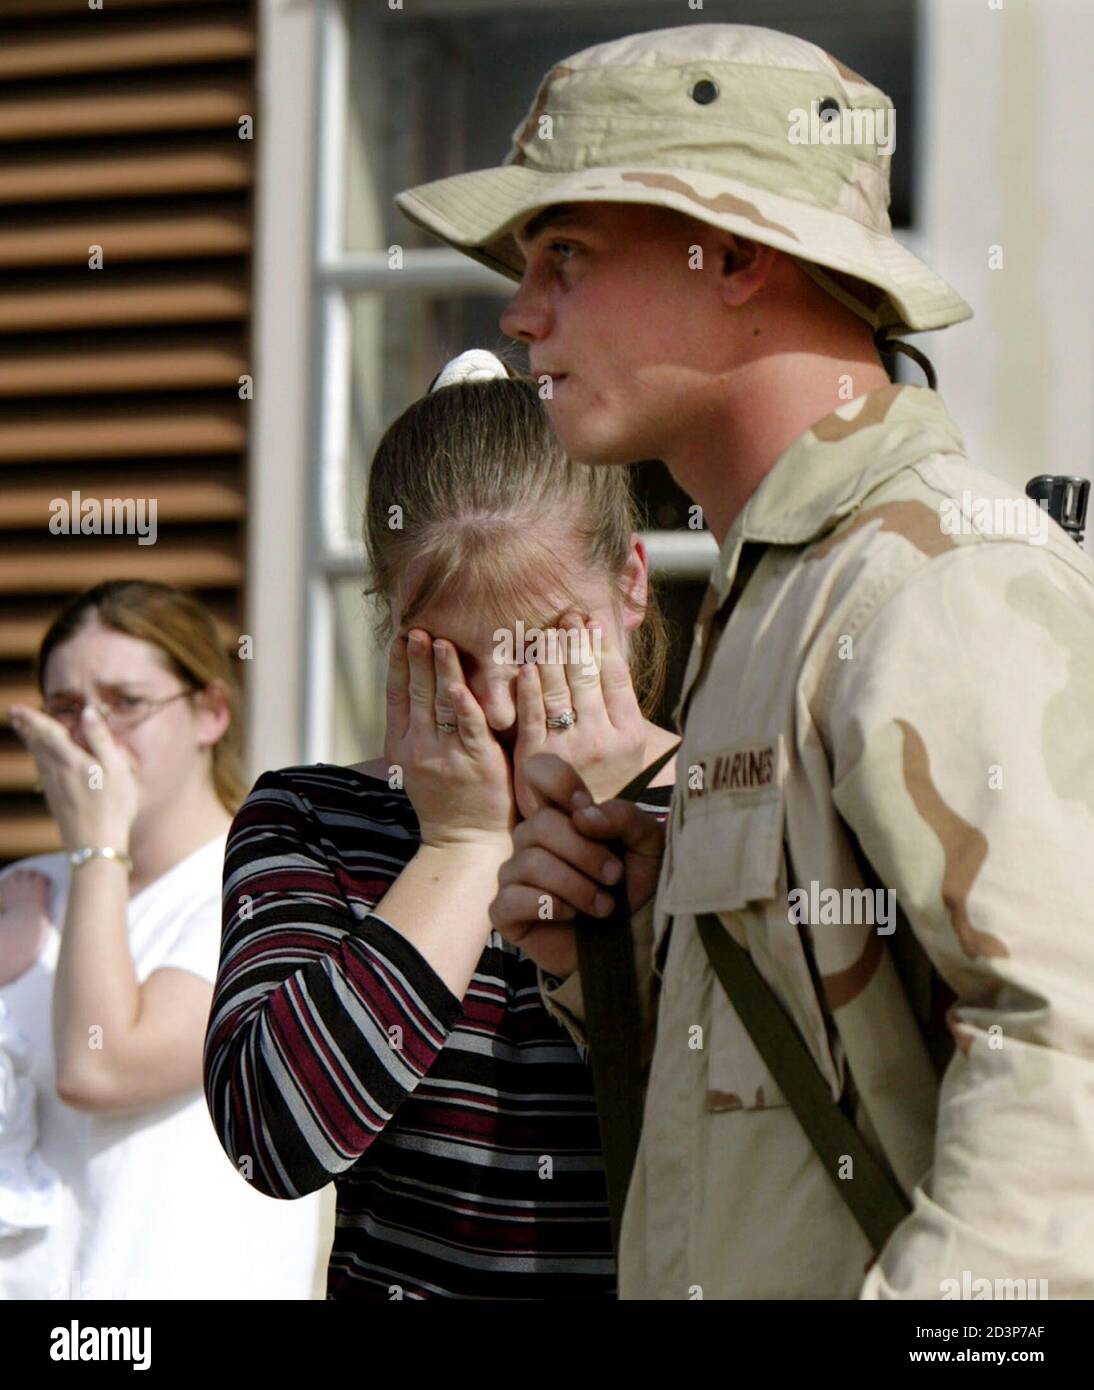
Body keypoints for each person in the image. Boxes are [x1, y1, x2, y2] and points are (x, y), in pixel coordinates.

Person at [395, 24, 1094, 1298]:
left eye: (567, 254)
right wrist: (619, 949)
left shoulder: (929, 582)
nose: (521, 310)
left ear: (737, 258)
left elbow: (1069, 1057)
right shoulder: (779, 592)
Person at [203, 350, 679, 1299]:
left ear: (631, 584)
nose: (500, 702)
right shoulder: (314, 820)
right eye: (454, 656)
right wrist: (460, 850)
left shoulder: (732, 798)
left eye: (545, 645)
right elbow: (274, 1139)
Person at [0, 580, 323, 1299]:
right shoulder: (26, 893)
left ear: (210, 711)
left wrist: (95, 851)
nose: (92, 731)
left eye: (125, 703)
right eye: (66, 708)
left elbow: (105, 1068)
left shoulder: (275, 888)